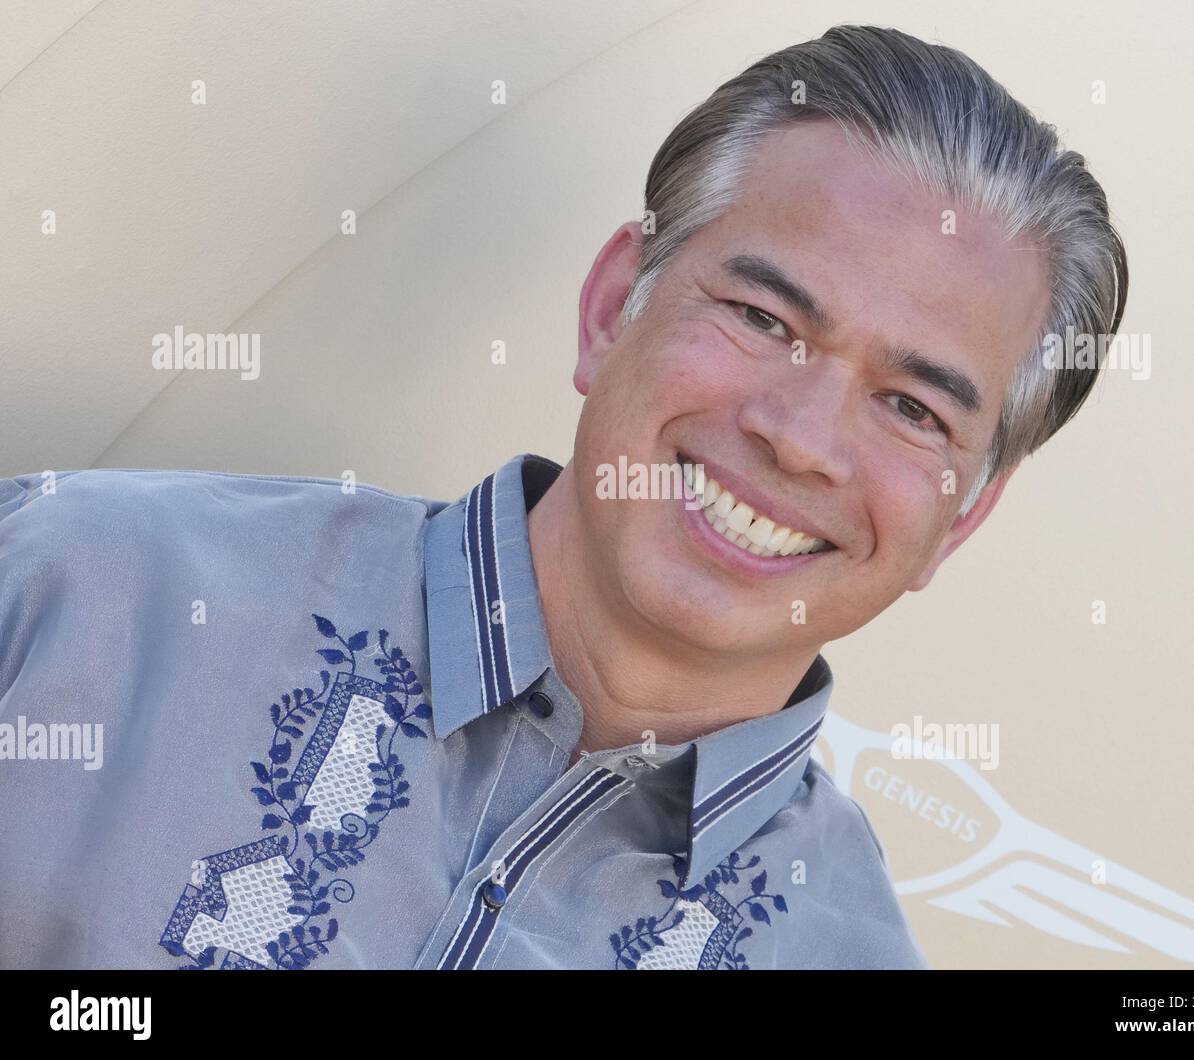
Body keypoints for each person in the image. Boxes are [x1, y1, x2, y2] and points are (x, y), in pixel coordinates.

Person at [0, 24, 1126, 969]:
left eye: (912, 408)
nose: (799, 439)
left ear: (962, 516)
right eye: (764, 320)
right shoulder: (82, 593)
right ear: (609, 308)